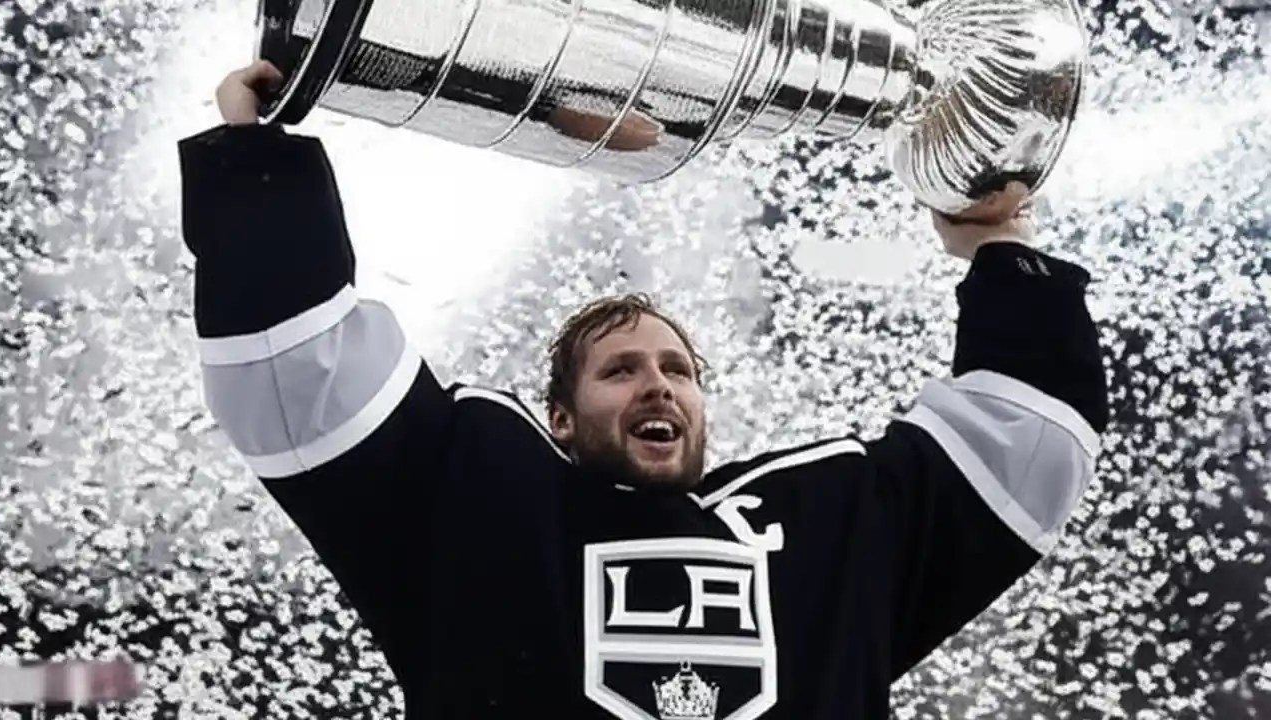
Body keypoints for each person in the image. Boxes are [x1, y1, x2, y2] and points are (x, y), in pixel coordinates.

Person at [178, 60, 1109, 719]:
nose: (657, 386)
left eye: (677, 371)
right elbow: (298, 372)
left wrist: (998, 244)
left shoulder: (831, 527)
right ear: (559, 416)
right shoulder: (477, 502)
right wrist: (255, 159)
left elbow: (1029, 446)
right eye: (619, 370)